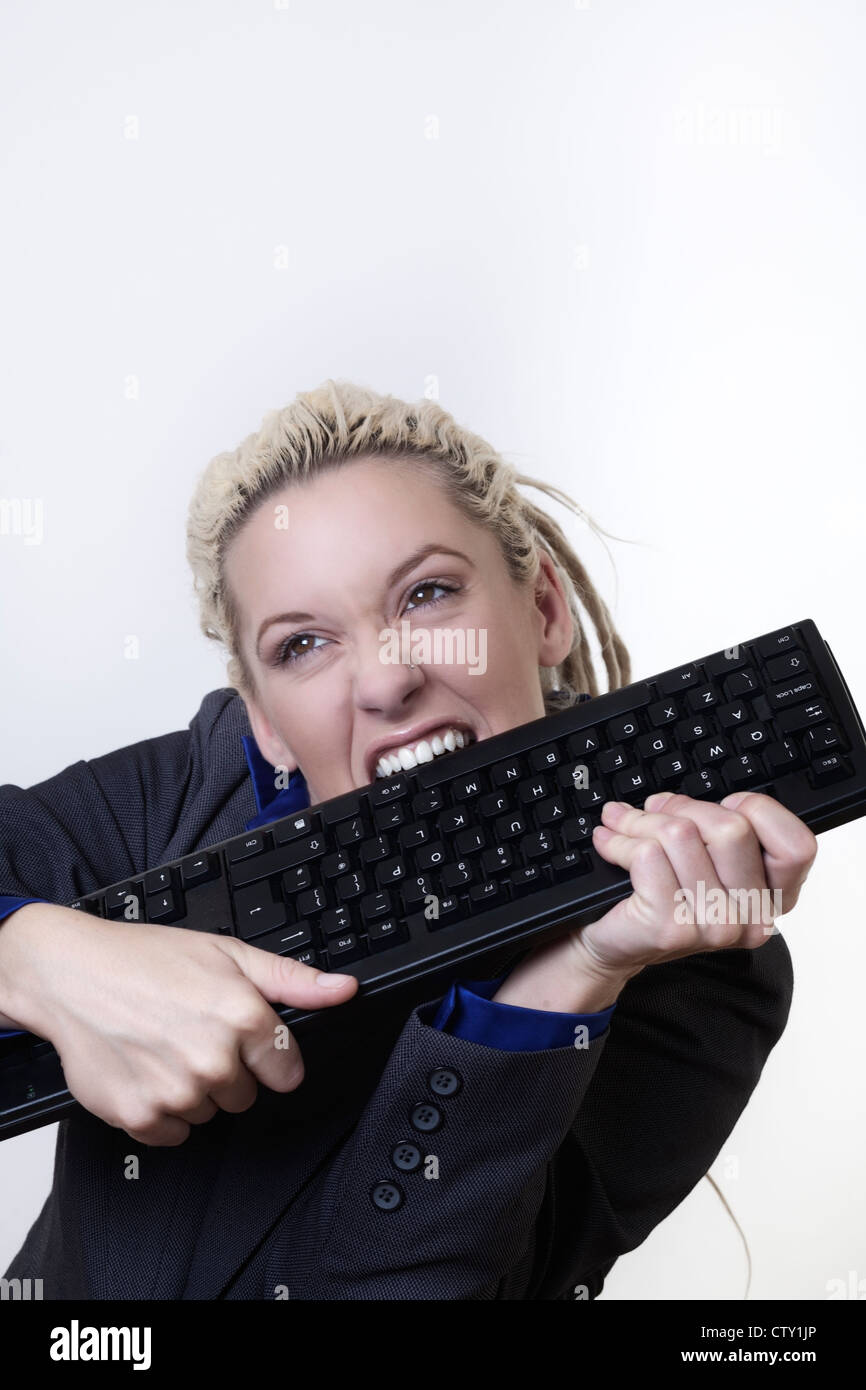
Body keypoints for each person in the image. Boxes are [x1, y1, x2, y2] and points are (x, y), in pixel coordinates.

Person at [0, 380, 809, 1300]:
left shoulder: (705, 978)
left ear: (543, 608)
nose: (385, 682)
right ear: (263, 720)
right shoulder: (191, 793)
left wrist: (572, 975)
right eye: (303, 644)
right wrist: (33, 957)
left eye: (427, 594)